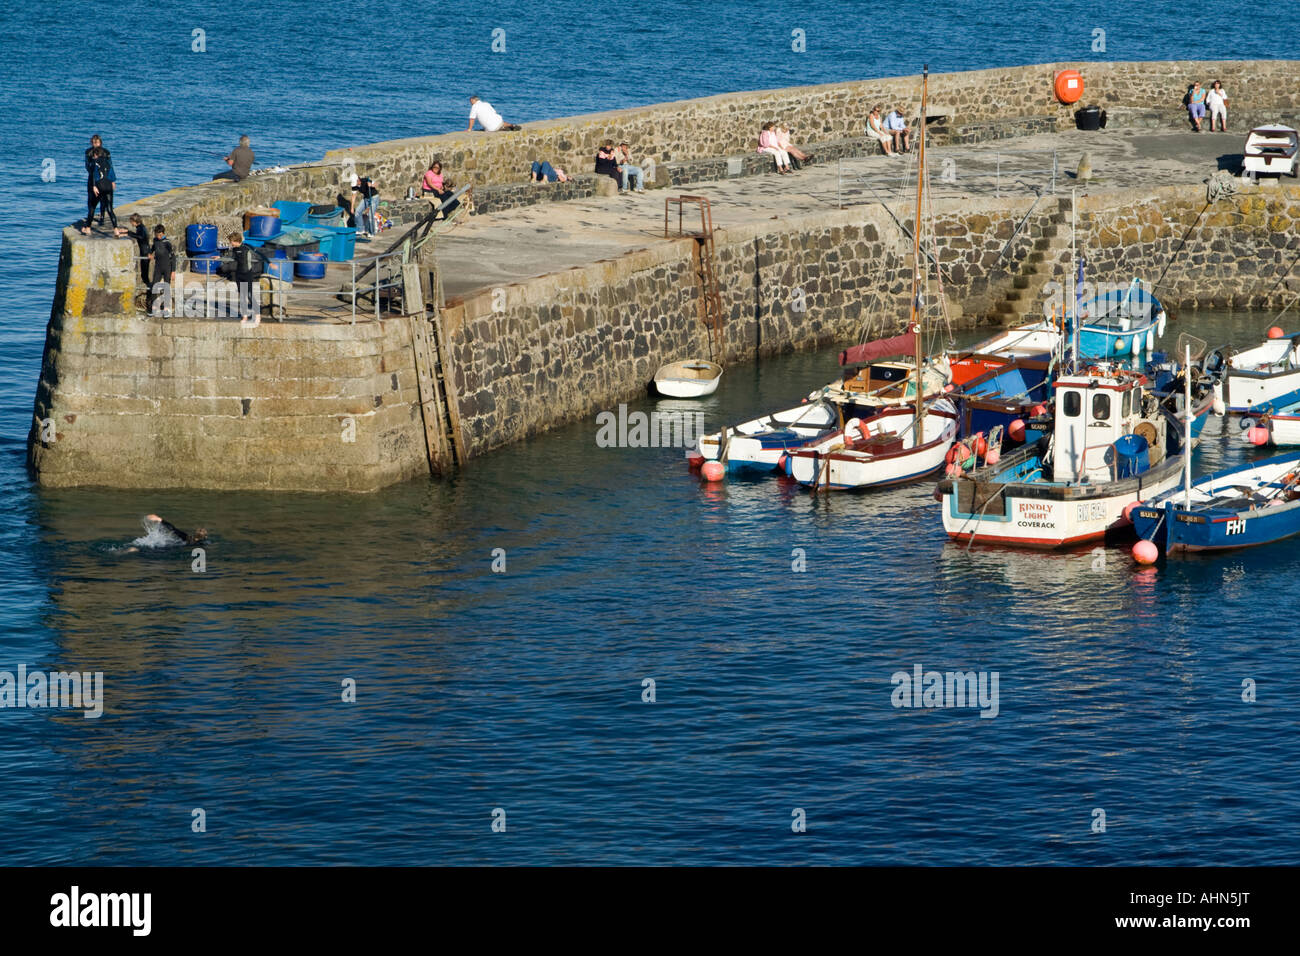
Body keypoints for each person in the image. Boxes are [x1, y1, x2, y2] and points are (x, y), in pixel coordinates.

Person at [226, 232, 264, 326]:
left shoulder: (246, 247)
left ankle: (258, 315)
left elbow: (259, 254)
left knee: (250, 295)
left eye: (231, 242)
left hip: (247, 274)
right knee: (242, 296)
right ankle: (245, 316)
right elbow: (230, 257)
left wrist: (269, 262)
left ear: (236, 241)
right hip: (239, 275)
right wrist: (219, 257)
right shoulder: (234, 250)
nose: (231, 244)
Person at [120, 515, 209, 553]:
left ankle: (135, 549)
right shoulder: (202, 544)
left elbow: (173, 528)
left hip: (169, 546)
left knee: (155, 548)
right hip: (171, 550)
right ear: (205, 537)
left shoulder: (186, 537)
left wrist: (160, 520)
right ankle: (136, 550)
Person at [84, 136, 118, 227]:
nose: (95, 145)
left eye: (97, 143)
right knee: (91, 199)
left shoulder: (106, 152)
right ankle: (90, 217)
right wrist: (93, 175)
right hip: (93, 178)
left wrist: (112, 180)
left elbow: (110, 166)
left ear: (100, 143)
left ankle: (102, 216)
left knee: (104, 199)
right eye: (94, 143)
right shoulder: (89, 152)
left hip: (105, 178)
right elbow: (87, 166)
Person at [148, 224, 177, 317]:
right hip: (158, 267)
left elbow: (173, 257)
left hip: (167, 268)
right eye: (157, 235)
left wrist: (173, 271)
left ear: (163, 233)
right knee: (154, 286)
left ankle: (167, 309)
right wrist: (150, 254)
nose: (158, 237)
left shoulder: (167, 243)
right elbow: (152, 249)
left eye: (160, 235)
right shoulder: (155, 240)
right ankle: (154, 308)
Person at [114, 213, 150, 283]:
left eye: (131, 222)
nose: (131, 224)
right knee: (144, 274)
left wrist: (127, 233)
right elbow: (139, 235)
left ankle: (150, 291)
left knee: (144, 274)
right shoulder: (141, 227)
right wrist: (126, 232)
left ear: (135, 221)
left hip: (145, 252)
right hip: (145, 250)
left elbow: (140, 237)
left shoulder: (141, 228)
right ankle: (150, 290)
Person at [350, 168, 379, 237]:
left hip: (374, 197)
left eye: (356, 183)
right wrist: (352, 207)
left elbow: (376, 184)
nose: (356, 185)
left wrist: (371, 185)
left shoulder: (365, 180)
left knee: (370, 215)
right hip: (366, 198)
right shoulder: (354, 186)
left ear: (358, 180)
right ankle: (360, 230)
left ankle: (371, 232)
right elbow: (353, 196)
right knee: (357, 212)